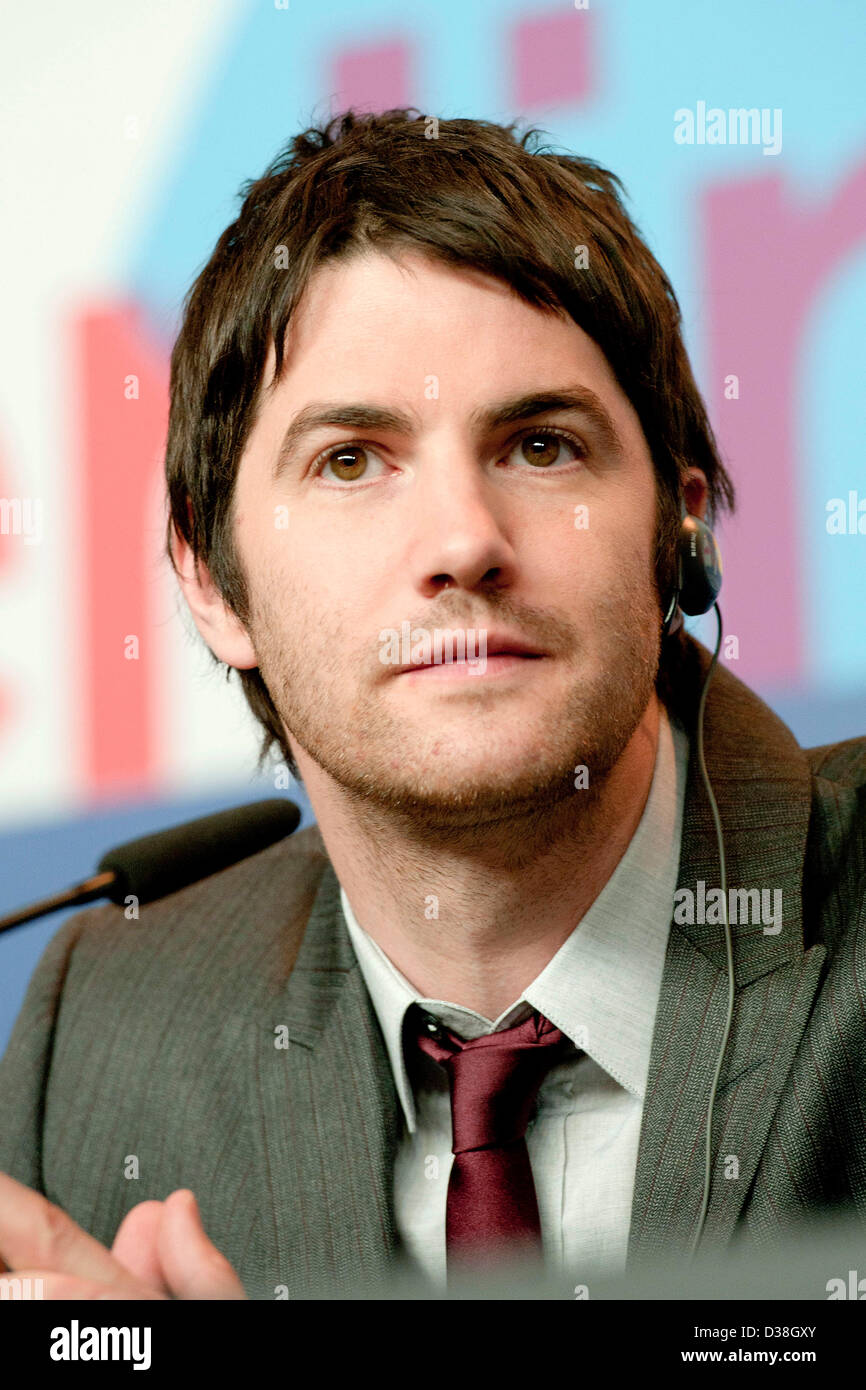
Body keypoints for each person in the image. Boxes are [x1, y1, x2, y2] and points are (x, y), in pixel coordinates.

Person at [0, 109, 863, 1302]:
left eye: (541, 445)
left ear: (679, 524)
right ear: (208, 585)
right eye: (351, 460)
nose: (462, 540)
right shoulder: (102, 1025)